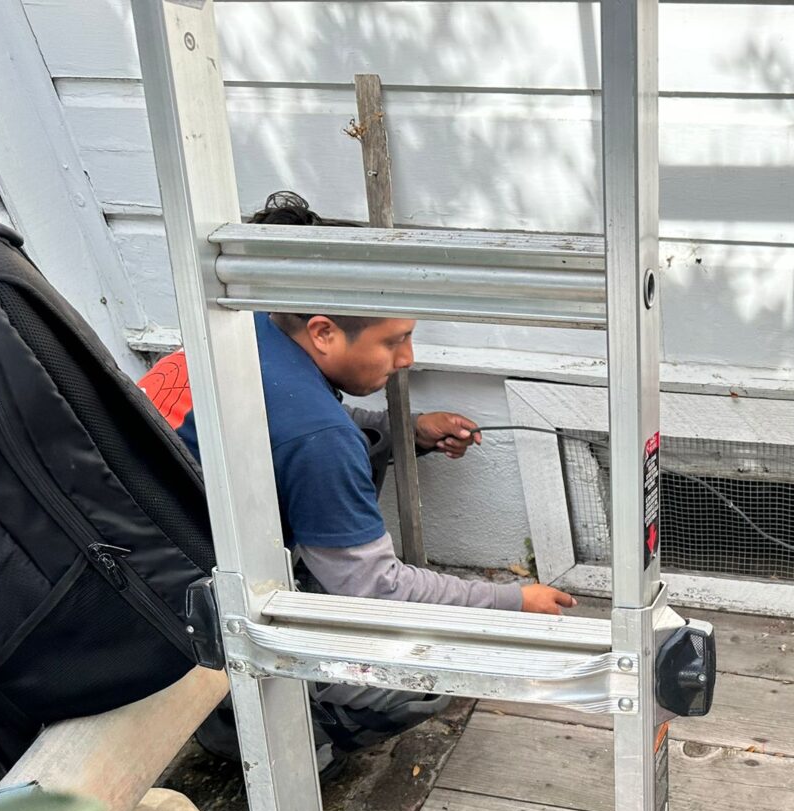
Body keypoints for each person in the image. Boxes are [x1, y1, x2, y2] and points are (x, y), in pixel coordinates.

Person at [179, 191, 575, 767]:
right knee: (437, 669)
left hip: (169, 571)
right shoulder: (318, 439)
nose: (408, 357)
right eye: (394, 340)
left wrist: (407, 430)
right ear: (323, 333)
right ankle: (261, 738)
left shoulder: (252, 329)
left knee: (361, 453)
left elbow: (298, 428)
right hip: (195, 632)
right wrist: (511, 602)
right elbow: (375, 590)